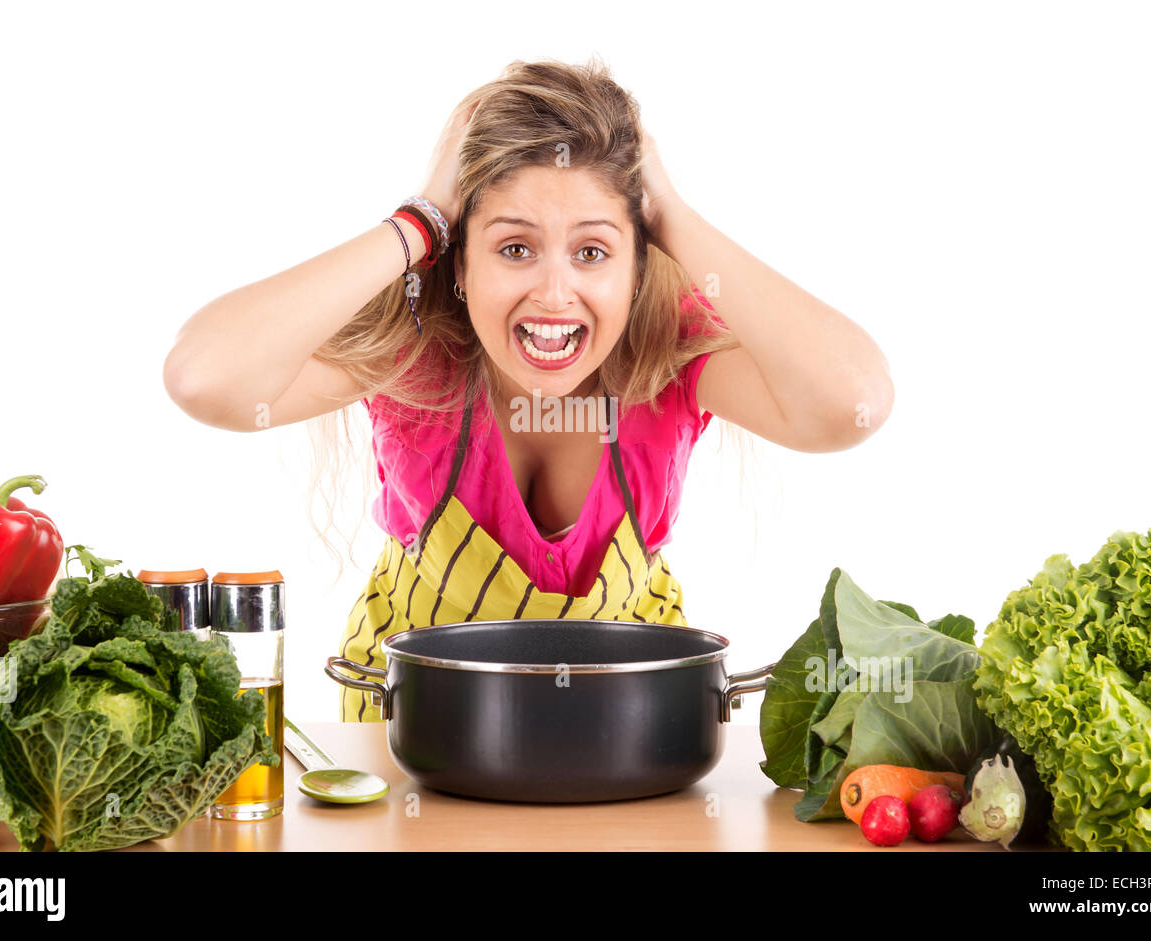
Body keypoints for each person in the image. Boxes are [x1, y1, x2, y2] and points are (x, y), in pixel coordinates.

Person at [163, 57, 895, 723]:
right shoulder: (418, 352)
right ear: (459, 262)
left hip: (625, 731)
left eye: (592, 251)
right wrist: (419, 220)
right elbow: (204, 378)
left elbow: (851, 401)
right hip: (415, 736)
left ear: (639, 265)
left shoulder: (663, 354)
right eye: (514, 247)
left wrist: (670, 211)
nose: (555, 294)